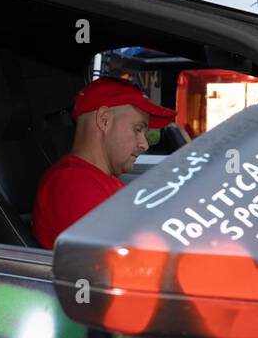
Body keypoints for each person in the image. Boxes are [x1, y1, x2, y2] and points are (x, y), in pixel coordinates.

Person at [31, 77, 176, 249]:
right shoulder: (74, 184)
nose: (144, 144)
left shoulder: (98, 180)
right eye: (138, 129)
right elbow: (109, 266)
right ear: (104, 120)